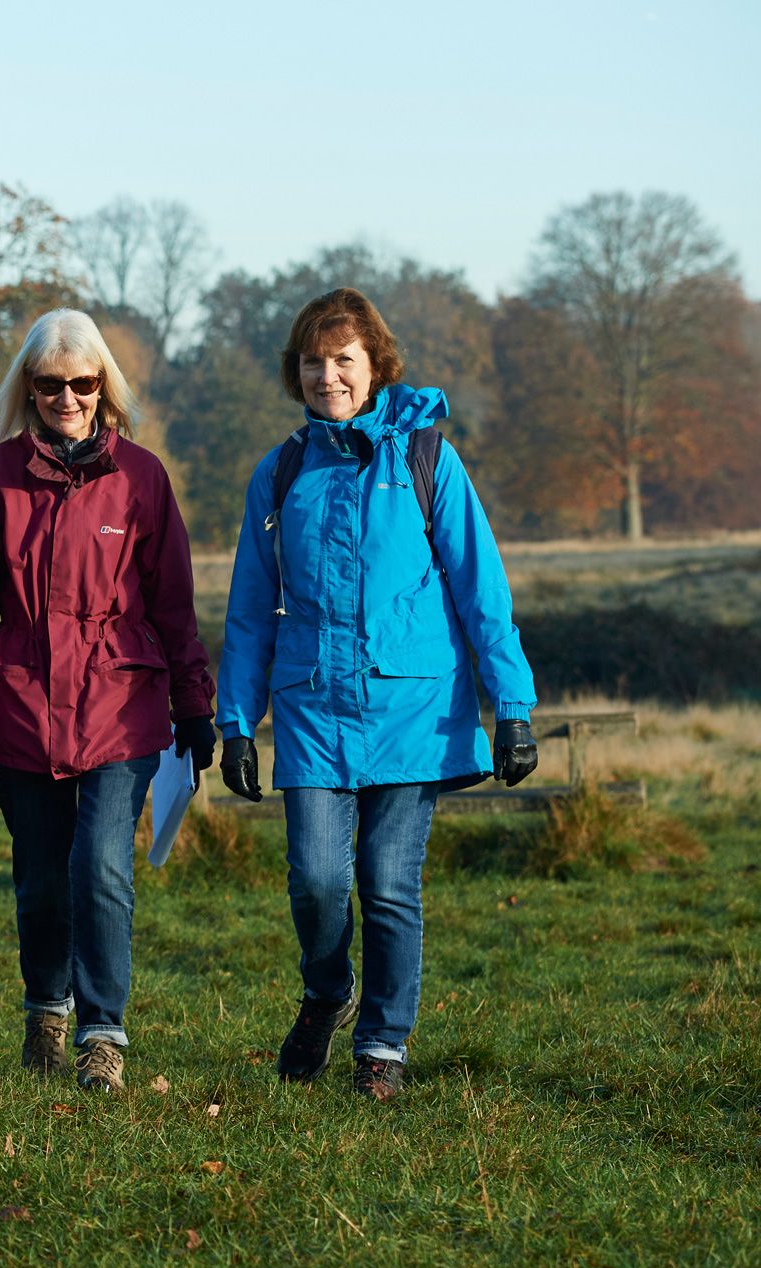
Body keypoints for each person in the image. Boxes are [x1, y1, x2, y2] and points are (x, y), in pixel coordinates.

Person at [217, 287, 538, 1101]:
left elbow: (480, 588)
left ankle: (383, 1050)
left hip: (413, 708)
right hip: (313, 708)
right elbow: (252, 606)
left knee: (391, 884)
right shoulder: (281, 472)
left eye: (344, 361)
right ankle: (327, 994)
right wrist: (234, 720)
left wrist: (514, 706)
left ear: (376, 366)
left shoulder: (428, 459)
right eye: (313, 362)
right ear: (296, 371)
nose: (328, 376)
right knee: (317, 880)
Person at [0, 309, 215, 1093]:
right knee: (40, 877)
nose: (67, 398)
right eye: (50, 384)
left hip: (122, 709)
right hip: (23, 710)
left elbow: (174, 605)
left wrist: (196, 706)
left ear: (103, 385)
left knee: (102, 865)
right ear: (29, 389)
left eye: (82, 382)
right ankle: (47, 1008)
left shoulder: (142, 478)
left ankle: (103, 1034)